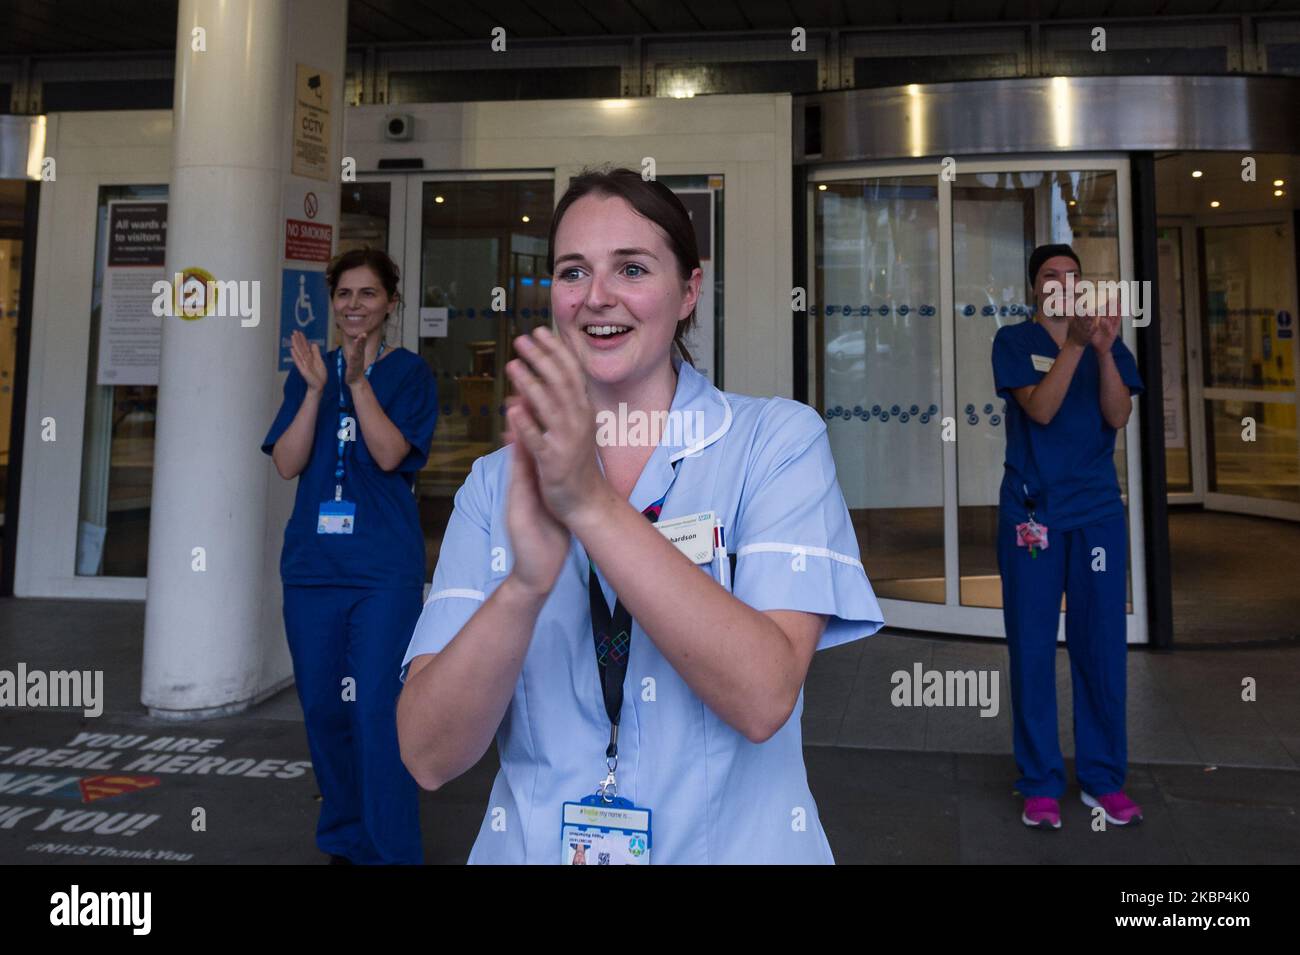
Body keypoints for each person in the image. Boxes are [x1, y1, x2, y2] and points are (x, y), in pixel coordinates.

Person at [396, 167, 883, 864]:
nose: (597, 296)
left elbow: (763, 695)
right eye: (572, 272)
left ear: (689, 290)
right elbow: (428, 753)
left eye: (631, 267)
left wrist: (589, 506)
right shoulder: (494, 483)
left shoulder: (774, 442)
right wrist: (524, 588)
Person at [261, 247, 439, 864]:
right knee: (321, 710)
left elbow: (390, 455)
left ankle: (391, 849)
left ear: (390, 303)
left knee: (374, 713)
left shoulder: (410, 373)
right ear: (332, 303)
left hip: (381, 572)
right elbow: (287, 462)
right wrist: (316, 391)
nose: (354, 306)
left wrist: (357, 383)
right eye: (344, 294)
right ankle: (343, 837)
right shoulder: (309, 370)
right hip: (312, 570)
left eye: (368, 294)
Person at [991, 243, 1145, 831]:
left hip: (1097, 514)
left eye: (1073, 277)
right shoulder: (1014, 342)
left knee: (1101, 645)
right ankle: (1040, 781)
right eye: (1051, 276)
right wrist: (1076, 345)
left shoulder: (1108, 343)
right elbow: (1042, 412)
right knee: (1032, 646)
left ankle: (1104, 780)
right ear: (1034, 286)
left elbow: (1117, 416)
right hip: (1034, 514)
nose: (1063, 283)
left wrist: (1102, 352)